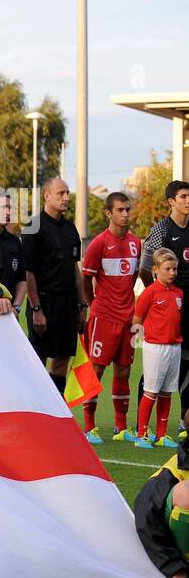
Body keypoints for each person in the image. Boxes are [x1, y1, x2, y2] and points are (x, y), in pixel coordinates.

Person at [79, 192, 141, 444]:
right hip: (104, 317)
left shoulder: (137, 242)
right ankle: (90, 426)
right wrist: (93, 305)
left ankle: (120, 427)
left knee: (124, 370)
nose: (125, 214)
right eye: (120, 210)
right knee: (96, 370)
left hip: (128, 319)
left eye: (127, 209)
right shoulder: (98, 244)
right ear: (109, 214)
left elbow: (133, 277)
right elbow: (85, 278)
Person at [23, 178, 85, 395]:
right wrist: (36, 309)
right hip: (44, 301)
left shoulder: (70, 228)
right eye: (60, 193)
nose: (66, 197)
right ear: (46, 196)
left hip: (68, 302)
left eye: (67, 192)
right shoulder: (34, 227)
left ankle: (56, 407)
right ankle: (35, 409)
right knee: (37, 360)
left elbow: (75, 269)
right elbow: (29, 272)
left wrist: (83, 304)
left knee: (62, 359)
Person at [138, 179, 189, 434]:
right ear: (171, 201)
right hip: (169, 305)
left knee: (184, 364)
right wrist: (158, 292)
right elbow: (146, 267)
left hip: (185, 301)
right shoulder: (162, 229)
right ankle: (142, 426)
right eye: (183, 196)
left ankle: (183, 421)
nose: (188, 200)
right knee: (154, 370)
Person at [132, 249, 182, 449]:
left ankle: (161, 434)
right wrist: (139, 344)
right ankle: (142, 434)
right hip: (155, 347)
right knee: (151, 391)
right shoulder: (149, 292)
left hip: (174, 346)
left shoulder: (179, 293)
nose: (172, 273)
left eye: (174, 269)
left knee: (167, 392)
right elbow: (137, 320)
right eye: (167, 269)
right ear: (155, 270)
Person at [132, 439, 189, 578]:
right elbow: (145, 516)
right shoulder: (173, 471)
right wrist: (174, 567)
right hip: (179, 552)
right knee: (185, 494)